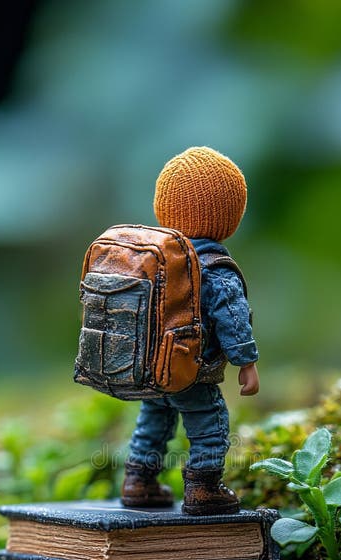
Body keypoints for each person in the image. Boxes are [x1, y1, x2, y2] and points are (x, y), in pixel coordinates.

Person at [122, 146, 259, 515]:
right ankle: (203, 487)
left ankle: (138, 480)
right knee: (209, 423)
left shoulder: (151, 256)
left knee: (154, 420)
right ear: (229, 216)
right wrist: (246, 362)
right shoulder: (214, 266)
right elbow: (232, 315)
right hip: (192, 371)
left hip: (153, 368)